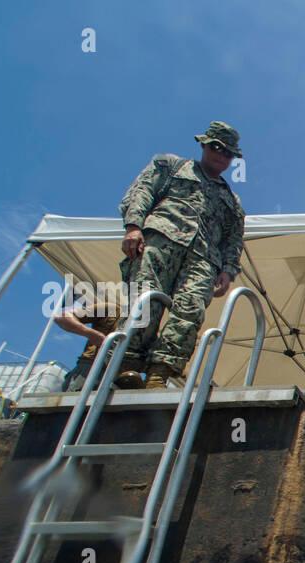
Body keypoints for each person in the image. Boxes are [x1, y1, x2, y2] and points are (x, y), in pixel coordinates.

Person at [117, 121, 246, 389]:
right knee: (144, 299)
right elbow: (141, 192)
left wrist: (228, 271)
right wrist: (133, 227)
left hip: (204, 259)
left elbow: (233, 240)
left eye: (228, 154)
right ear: (204, 145)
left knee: (190, 311)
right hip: (160, 241)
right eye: (217, 148)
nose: (221, 157)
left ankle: (160, 373)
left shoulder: (232, 202)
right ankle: (127, 364)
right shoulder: (169, 166)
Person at [54, 293, 124, 392]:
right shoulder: (112, 309)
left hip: (119, 378)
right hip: (91, 367)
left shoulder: (148, 322)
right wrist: (93, 334)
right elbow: (63, 317)